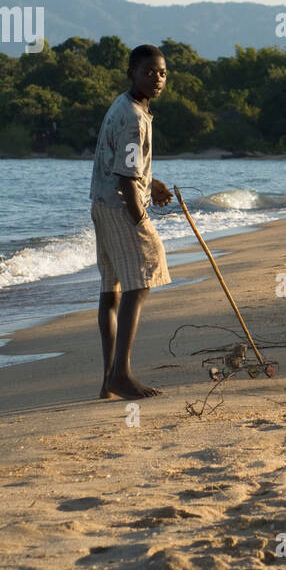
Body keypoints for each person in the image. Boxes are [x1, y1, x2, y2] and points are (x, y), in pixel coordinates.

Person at [89, 44, 174, 399]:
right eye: (149, 72)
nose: (157, 79)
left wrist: (150, 183)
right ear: (132, 74)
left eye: (162, 73)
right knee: (141, 280)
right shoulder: (134, 116)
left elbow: (125, 163)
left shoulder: (126, 106)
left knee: (113, 290)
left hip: (102, 203)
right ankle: (120, 375)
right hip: (119, 205)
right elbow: (125, 175)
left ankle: (109, 382)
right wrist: (140, 218)